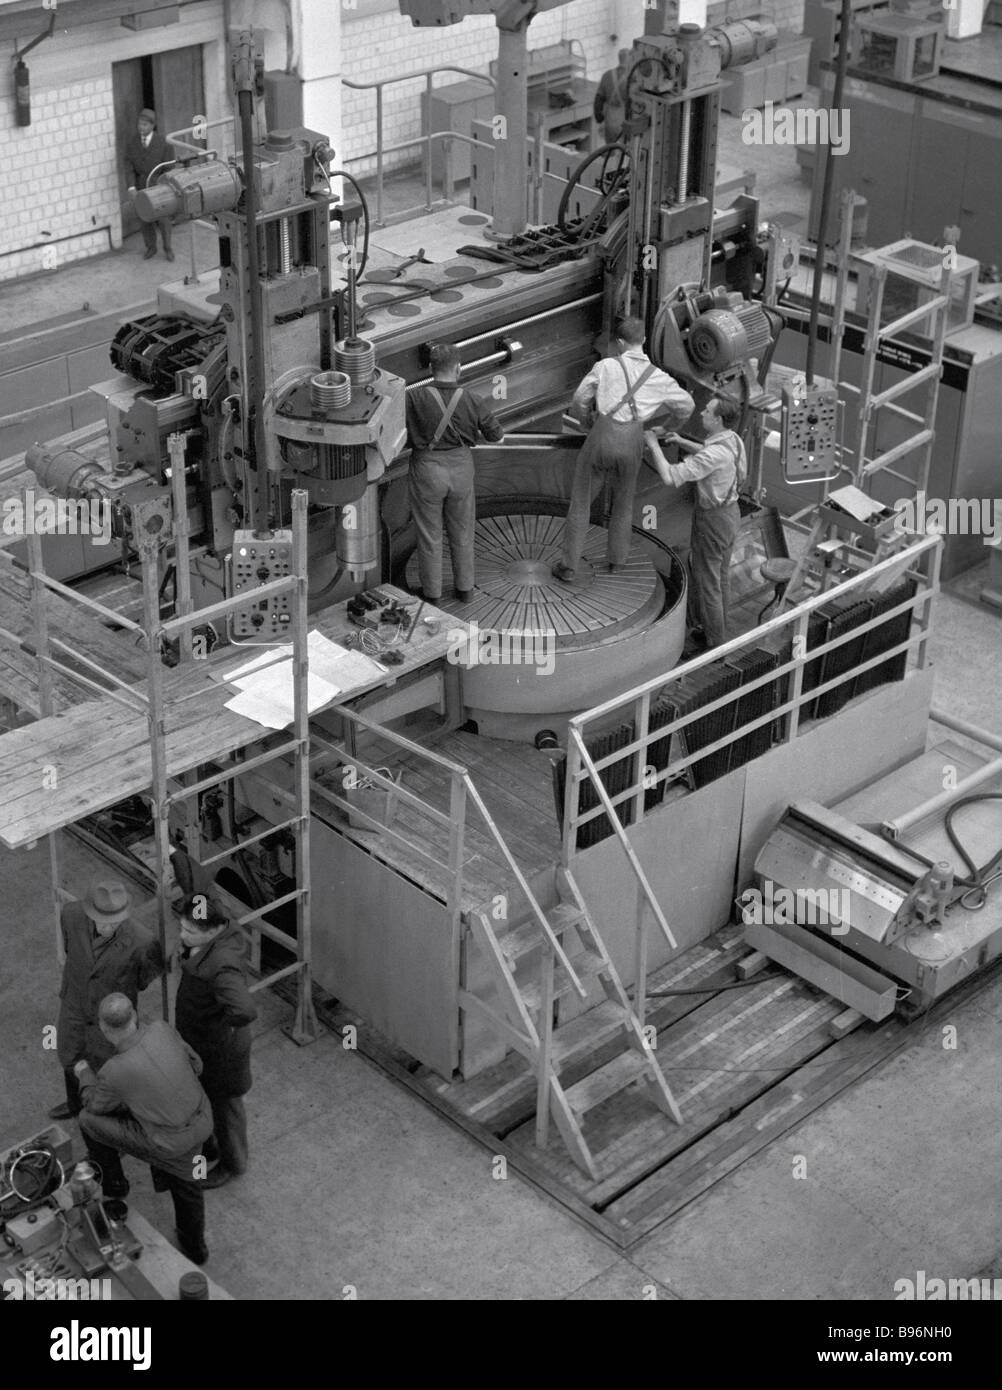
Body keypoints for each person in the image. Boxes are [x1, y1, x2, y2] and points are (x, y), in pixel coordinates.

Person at [552, 317, 694, 582]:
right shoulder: (659, 377)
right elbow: (686, 406)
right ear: (644, 341)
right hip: (632, 441)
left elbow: (579, 399)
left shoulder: (605, 366)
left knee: (581, 503)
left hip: (601, 437)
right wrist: (666, 428)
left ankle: (569, 566)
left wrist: (587, 424)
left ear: (619, 343)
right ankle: (617, 562)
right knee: (624, 504)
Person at [74, 994, 213, 1265]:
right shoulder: (161, 1028)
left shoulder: (115, 1070)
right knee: (190, 1180)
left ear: (104, 1028)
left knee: (87, 1120)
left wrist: (84, 1074)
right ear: (135, 1016)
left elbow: (95, 1105)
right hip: (204, 1119)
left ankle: (114, 1183)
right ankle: (195, 1247)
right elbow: (197, 1065)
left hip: (172, 1141)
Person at [49, 876, 164, 1121]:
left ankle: (112, 1124)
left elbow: (143, 980)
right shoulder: (70, 914)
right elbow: (72, 951)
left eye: (114, 921)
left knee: (109, 1073)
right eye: (102, 920)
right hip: (75, 1005)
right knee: (70, 1056)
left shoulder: (143, 941)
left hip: (111, 1020)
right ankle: (75, 1104)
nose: (107, 927)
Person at [644, 395, 747, 649]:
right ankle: (719, 631)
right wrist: (681, 441)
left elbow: (670, 476)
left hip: (712, 522)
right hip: (731, 513)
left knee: (707, 583)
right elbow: (712, 455)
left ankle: (715, 644)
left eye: (707, 411)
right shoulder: (733, 440)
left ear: (719, 419)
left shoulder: (713, 455)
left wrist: (652, 444)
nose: (701, 413)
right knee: (720, 577)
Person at [406, 343, 503, 605]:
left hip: (427, 469)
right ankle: (465, 590)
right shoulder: (473, 399)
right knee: (462, 532)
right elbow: (496, 435)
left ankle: (433, 596)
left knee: (430, 535)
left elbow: (396, 435)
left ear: (430, 369)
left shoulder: (413, 398)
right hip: (461, 469)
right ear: (458, 369)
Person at [174, 897, 257, 1188]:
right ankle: (212, 1145)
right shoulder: (222, 929)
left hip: (219, 1051)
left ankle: (233, 1163)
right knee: (211, 1101)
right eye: (182, 927)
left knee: (226, 1112)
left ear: (214, 930)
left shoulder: (221, 965)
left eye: (190, 932)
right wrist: (171, 853)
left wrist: (218, 1026)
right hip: (205, 1045)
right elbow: (197, 879)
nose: (183, 936)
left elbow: (245, 1010)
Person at [125, 108, 174, 262]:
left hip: (158, 188)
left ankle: (168, 248)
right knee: (144, 219)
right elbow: (128, 167)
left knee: (163, 219)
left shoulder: (163, 143)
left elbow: (169, 167)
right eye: (140, 124)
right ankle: (151, 247)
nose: (141, 127)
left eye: (145, 125)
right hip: (141, 188)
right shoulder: (132, 143)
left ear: (152, 126)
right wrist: (132, 187)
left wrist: (165, 186)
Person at [594, 49, 632, 144]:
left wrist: (599, 118)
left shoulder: (606, 75)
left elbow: (598, 100)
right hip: (625, 117)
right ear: (629, 59)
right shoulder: (632, 77)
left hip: (610, 117)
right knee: (625, 150)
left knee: (610, 148)